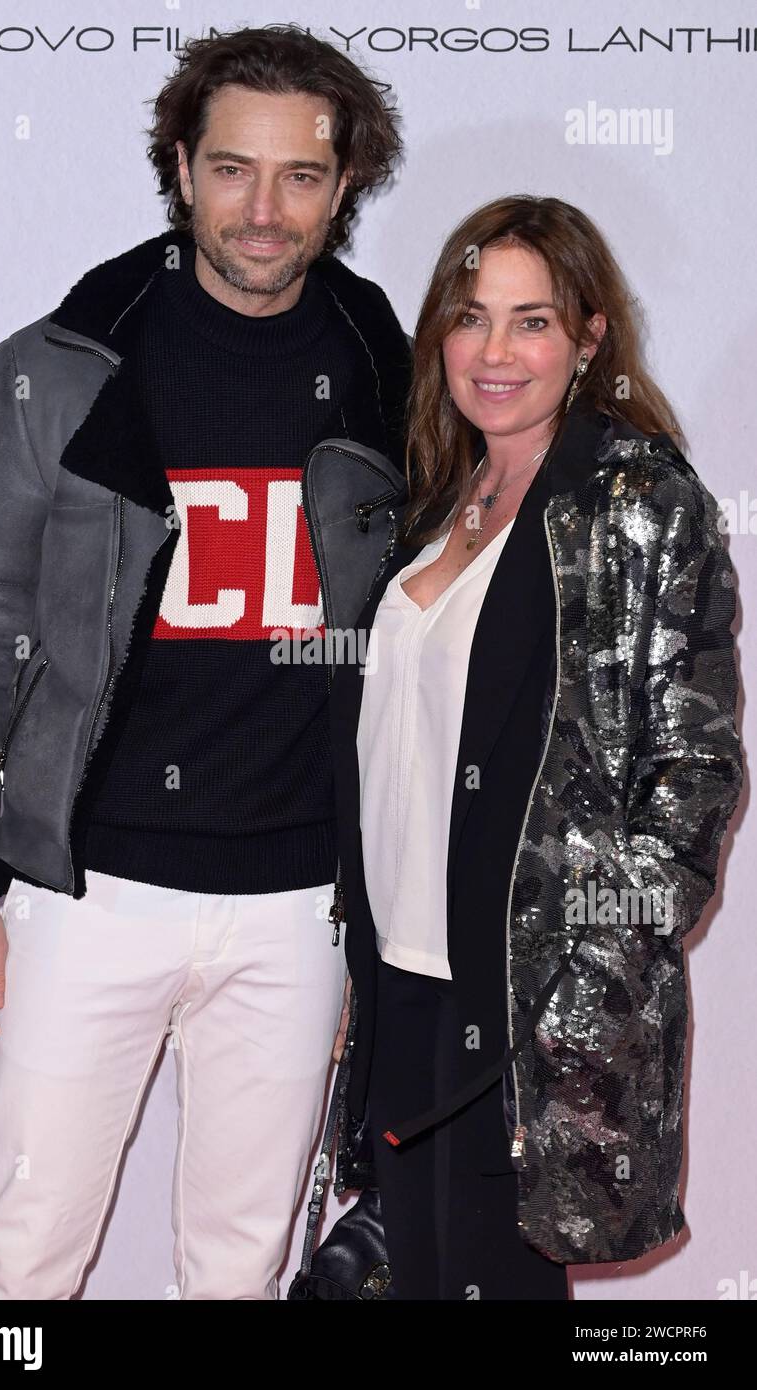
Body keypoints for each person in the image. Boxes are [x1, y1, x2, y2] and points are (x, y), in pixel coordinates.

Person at [0, 25, 413, 1299]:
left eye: (300, 176)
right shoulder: (59, 365)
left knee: (241, 1271)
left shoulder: (384, 362)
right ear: (179, 166)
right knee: (17, 1264)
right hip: (86, 891)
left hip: (299, 909)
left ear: (343, 187)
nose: (263, 209)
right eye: (231, 169)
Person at [328, 195, 743, 1300]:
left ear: (588, 338)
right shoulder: (430, 502)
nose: (495, 352)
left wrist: (587, 966)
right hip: (402, 983)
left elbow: (693, 772)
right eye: (471, 319)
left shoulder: (637, 502)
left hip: (523, 1007)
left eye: (532, 321)